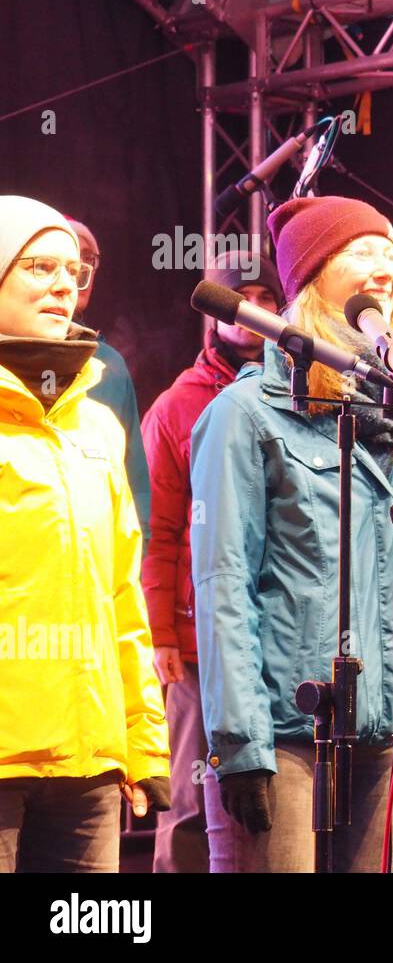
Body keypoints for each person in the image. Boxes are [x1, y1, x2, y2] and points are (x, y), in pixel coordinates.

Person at [189, 196, 393, 873]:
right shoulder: (245, 416)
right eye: (359, 249)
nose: (384, 263)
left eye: (388, 250)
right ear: (314, 276)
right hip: (287, 739)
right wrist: (240, 744)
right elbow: (223, 583)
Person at [0, 195, 170, 872]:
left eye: (72, 269)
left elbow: (122, 598)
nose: (64, 283)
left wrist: (144, 741)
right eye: (39, 265)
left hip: (89, 762)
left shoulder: (97, 426)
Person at [141, 255, 284, 874]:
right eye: (238, 296)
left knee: (273, 798)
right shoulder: (178, 405)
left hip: (276, 636)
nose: (253, 308)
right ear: (213, 311)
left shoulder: (303, 391)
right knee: (194, 799)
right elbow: (158, 530)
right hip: (199, 643)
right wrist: (163, 634)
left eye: (266, 296)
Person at [67, 217, 151, 546]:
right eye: (57, 259)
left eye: (88, 258)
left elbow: (134, 483)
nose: (77, 268)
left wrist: (133, 571)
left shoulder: (109, 366)